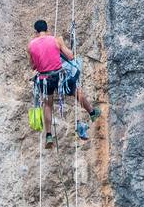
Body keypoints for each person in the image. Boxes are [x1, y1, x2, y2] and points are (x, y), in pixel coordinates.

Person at [27, 19, 95, 148]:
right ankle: (92, 112)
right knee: (75, 90)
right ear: (47, 30)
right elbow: (70, 56)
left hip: (44, 79)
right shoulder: (56, 39)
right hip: (58, 76)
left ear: (35, 32)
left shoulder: (31, 45)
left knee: (47, 105)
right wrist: (59, 49)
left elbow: (33, 66)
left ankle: (48, 135)